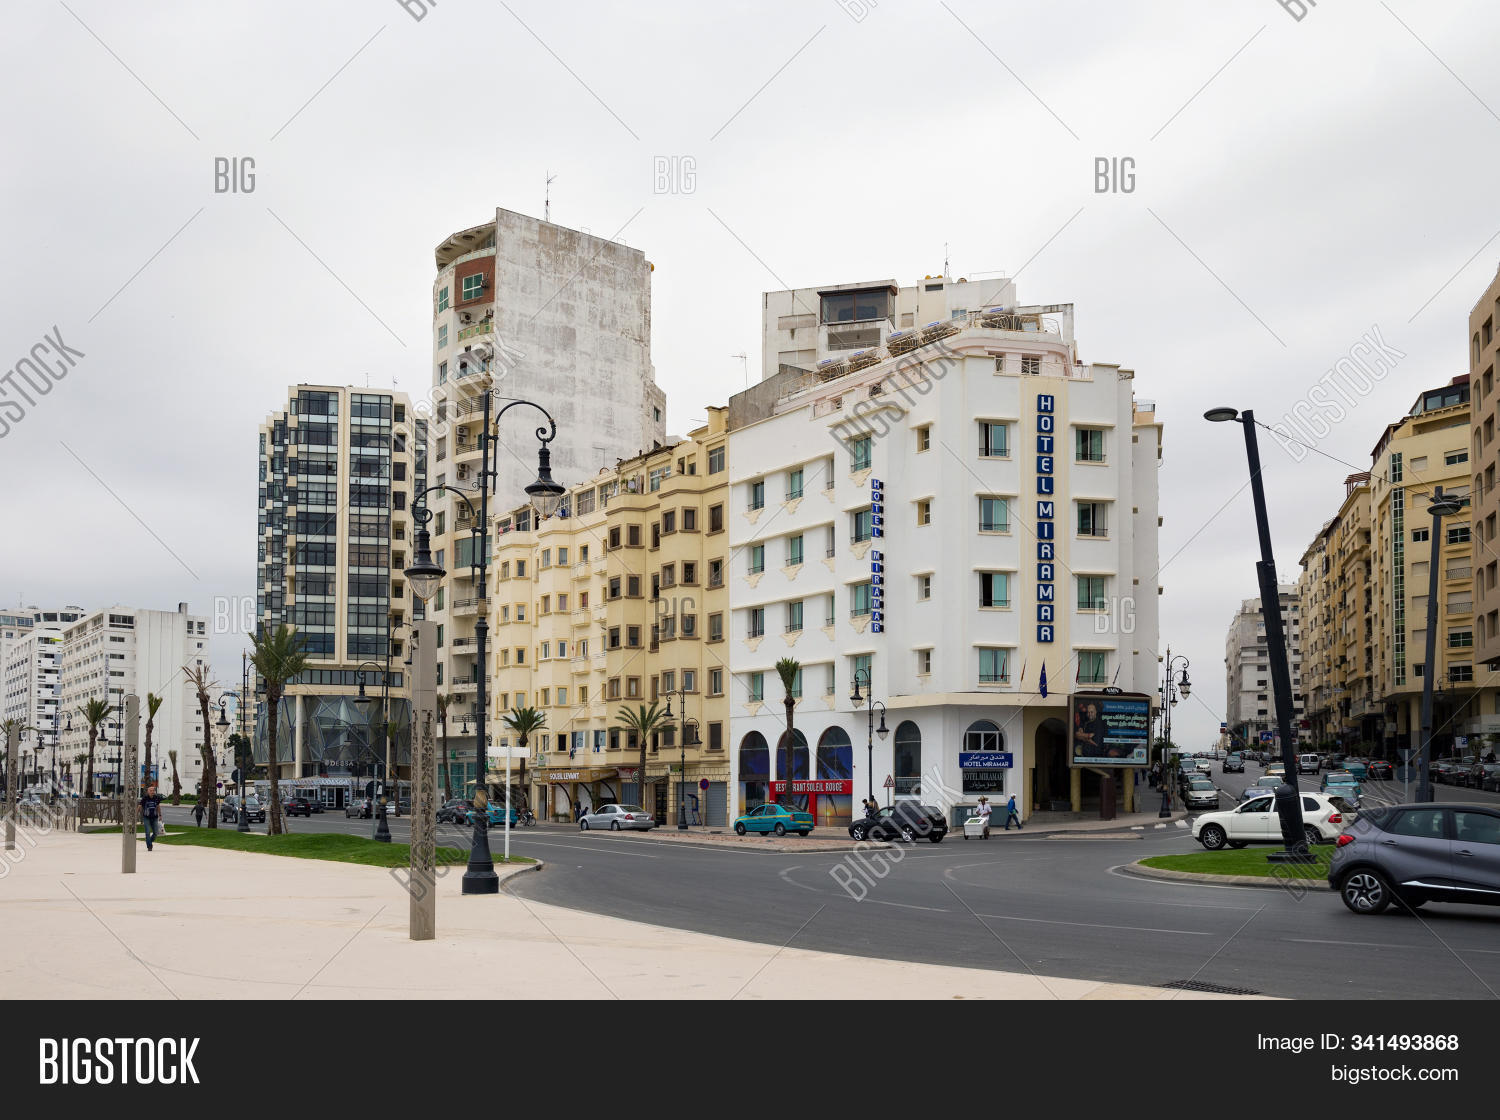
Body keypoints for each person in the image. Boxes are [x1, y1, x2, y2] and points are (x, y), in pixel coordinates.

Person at [140, 783, 164, 850]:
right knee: (147, 832)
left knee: (155, 833)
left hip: (155, 817)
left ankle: (149, 841)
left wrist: (160, 815)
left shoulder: (156, 798)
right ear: (148, 791)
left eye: (153, 790)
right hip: (146, 817)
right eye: (150, 790)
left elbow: (158, 806)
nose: (152, 792)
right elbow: (140, 806)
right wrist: (135, 814)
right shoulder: (145, 798)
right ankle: (149, 846)